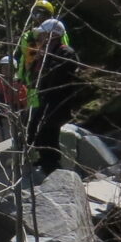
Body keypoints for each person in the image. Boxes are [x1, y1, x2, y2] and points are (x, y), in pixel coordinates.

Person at [20, 17, 86, 175]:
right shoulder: (46, 55)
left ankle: (52, 168)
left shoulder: (65, 52)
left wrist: (44, 63)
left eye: (43, 35)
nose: (40, 39)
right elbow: (38, 80)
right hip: (47, 101)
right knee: (38, 131)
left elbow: (56, 75)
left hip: (58, 103)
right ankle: (46, 163)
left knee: (46, 134)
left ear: (52, 35)